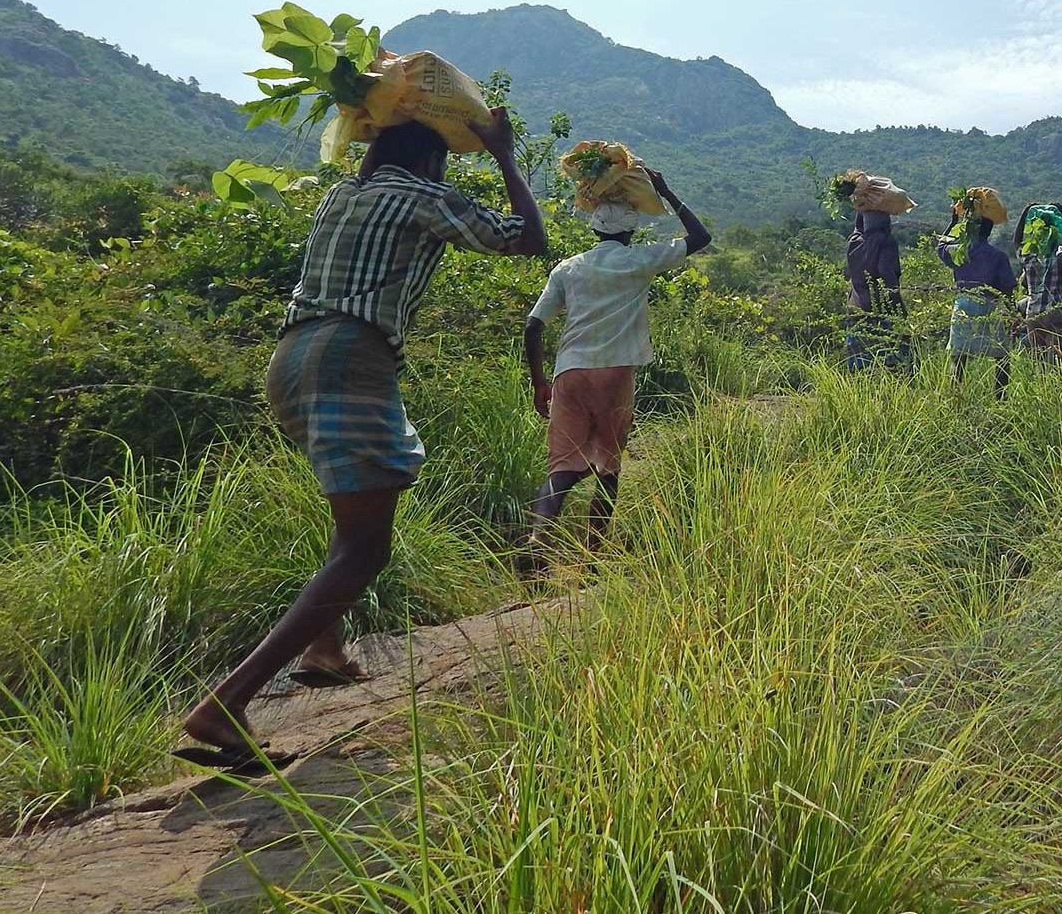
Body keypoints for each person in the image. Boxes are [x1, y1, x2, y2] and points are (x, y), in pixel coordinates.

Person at [179, 111, 547, 764]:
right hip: (351, 355)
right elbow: (527, 239)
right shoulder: (421, 193)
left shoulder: (338, 194)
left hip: (291, 358)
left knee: (354, 509)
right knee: (365, 546)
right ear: (431, 162)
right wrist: (503, 156)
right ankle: (225, 705)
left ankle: (324, 647)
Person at [524, 169, 711, 565]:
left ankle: (539, 540)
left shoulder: (567, 268)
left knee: (561, 465)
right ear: (630, 231)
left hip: (569, 373)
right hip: (614, 373)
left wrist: (540, 382)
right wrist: (665, 189)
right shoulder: (640, 260)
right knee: (608, 467)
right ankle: (593, 557)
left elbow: (533, 325)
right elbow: (700, 237)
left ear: (595, 229)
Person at [938, 214, 1017, 398]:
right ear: (989, 232)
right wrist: (1012, 314)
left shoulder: (959, 251)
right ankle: (1000, 397)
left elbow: (940, 246)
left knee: (959, 356)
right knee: (1001, 355)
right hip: (989, 306)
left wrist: (953, 222)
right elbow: (1007, 289)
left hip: (963, 303)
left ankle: (955, 397)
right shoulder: (998, 257)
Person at [1016, 203, 1062, 361]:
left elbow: (1016, 242)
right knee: (1059, 361)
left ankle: (1041, 384)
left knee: (1038, 361)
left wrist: (1025, 212)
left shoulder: (1030, 260)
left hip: (1033, 313)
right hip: (1056, 312)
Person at [843, 207, 909, 370]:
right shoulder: (887, 243)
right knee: (894, 366)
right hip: (883, 311)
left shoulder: (853, 242)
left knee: (858, 368)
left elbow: (858, 228)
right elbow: (887, 275)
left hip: (856, 310)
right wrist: (900, 309)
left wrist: (861, 205)